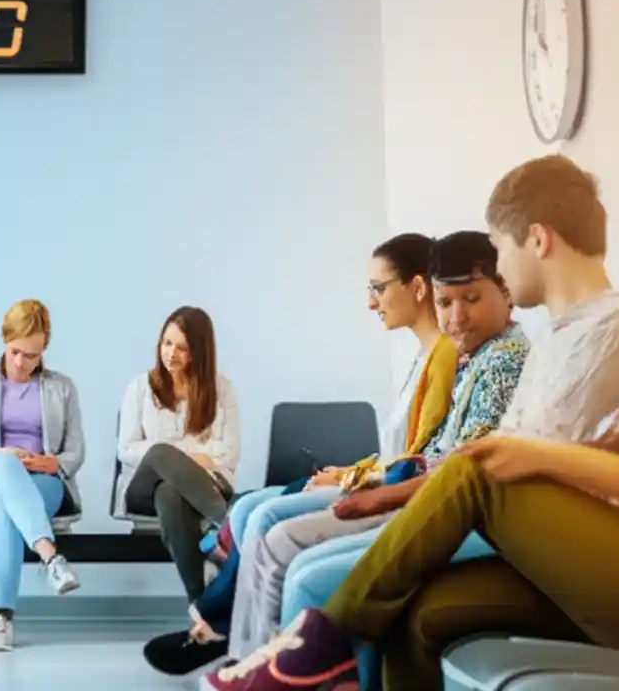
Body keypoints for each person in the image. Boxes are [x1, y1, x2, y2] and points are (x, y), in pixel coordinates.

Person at [208, 153, 619, 691]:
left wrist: (537, 456)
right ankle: (321, 645)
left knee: (479, 472)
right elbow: (612, 449)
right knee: (417, 615)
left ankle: (320, 643)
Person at [142, 233, 458, 674]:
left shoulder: (442, 356)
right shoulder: (422, 358)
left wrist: (353, 477)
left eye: (378, 288)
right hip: (378, 477)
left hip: (392, 489)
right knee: (249, 506)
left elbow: (415, 458)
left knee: (263, 516)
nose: (371, 303)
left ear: (418, 287)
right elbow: (404, 452)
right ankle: (227, 619)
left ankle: (223, 630)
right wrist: (350, 470)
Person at [221, 231, 532, 669]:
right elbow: (430, 454)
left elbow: (456, 462)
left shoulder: (494, 357)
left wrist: (375, 487)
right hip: (426, 488)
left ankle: (259, 661)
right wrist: (365, 478)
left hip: (444, 502)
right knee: (262, 519)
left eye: (472, 298)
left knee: (287, 545)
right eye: (447, 303)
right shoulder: (470, 355)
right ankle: (249, 654)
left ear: (508, 294)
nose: (457, 316)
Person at [0, 299, 84, 651]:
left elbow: (75, 452)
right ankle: (50, 557)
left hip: (42, 483)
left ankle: (0, 618)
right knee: (4, 471)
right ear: (4, 341)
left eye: (32, 355)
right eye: (15, 352)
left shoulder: (62, 388)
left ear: (44, 350)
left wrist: (48, 463)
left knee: (2, 506)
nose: (22, 363)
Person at [117, 306, 241, 603]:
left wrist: (184, 463)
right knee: (161, 453)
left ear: (200, 352)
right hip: (142, 489)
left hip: (202, 488)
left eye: (182, 348)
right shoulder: (139, 388)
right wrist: (187, 457)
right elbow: (128, 449)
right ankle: (228, 527)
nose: (171, 353)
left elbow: (230, 452)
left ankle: (199, 605)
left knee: (171, 494)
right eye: (167, 343)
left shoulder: (221, 389)